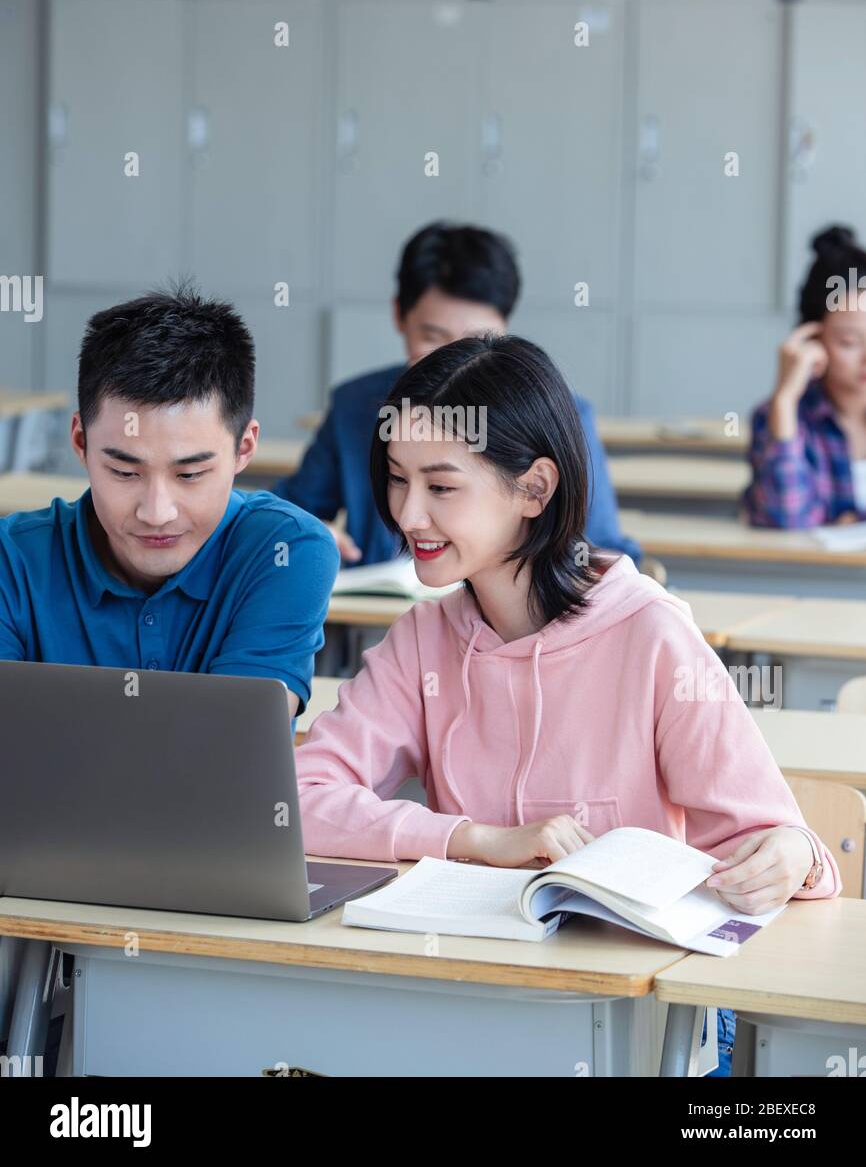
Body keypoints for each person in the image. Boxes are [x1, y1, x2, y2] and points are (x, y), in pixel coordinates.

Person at [295, 332, 841, 1076]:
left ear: (533, 488)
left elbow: (781, 843)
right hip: (467, 1003)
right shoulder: (425, 638)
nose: (408, 515)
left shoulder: (650, 634)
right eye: (396, 479)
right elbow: (296, 798)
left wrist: (793, 853)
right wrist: (475, 839)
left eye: (441, 486)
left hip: (629, 1025)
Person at [0, 282, 339, 724]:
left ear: (244, 447)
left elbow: (233, 743)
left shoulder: (286, 551)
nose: (157, 512)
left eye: (190, 474)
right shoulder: (12, 558)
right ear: (81, 442)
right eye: (125, 472)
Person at [274, 220, 640, 566]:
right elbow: (290, 509)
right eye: (432, 338)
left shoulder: (560, 415)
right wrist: (306, 532)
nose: (452, 361)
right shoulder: (357, 405)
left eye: (475, 342)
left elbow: (600, 550)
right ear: (399, 315)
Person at [745, 224, 866, 527]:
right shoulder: (777, 416)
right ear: (813, 339)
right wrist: (785, 400)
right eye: (849, 342)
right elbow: (786, 517)